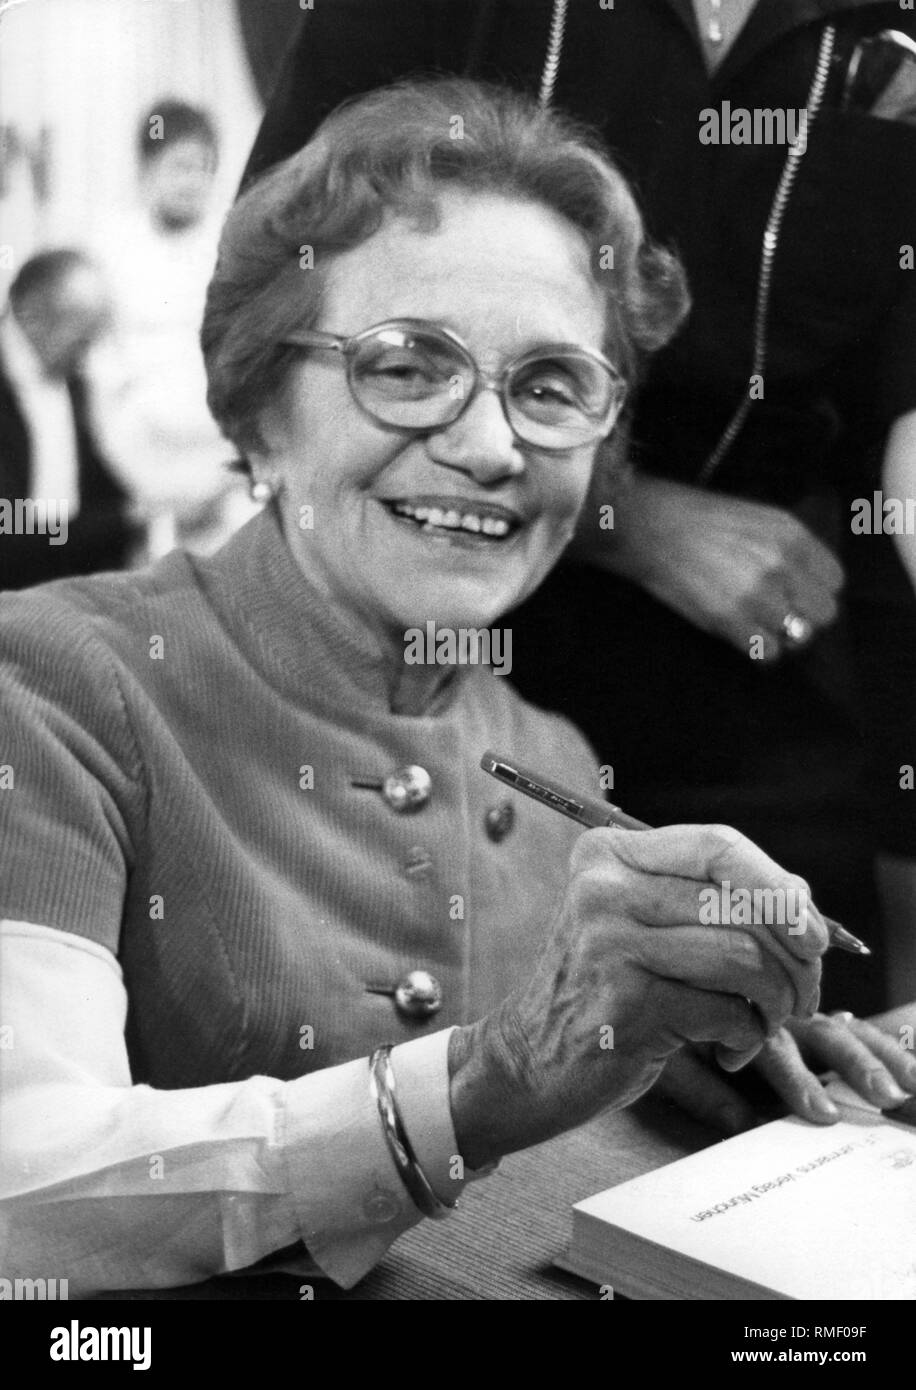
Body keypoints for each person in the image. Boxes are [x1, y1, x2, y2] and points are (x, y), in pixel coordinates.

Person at [0, 80, 911, 1298]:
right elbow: (20, 1199)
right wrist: (493, 1079)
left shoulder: (555, 758)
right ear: (259, 396)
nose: (489, 446)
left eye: (550, 387)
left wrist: (685, 1050)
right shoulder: (52, 683)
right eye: (408, 364)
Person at [241, 0, 916, 1017]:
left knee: (794, 1084)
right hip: (414, 640)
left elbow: (891, 454)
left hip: (756, 676)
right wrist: (627, 517)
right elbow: (267, 325)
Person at [91, 99, 253, 560]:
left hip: (225, 468)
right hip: (142, 470)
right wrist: (149, 483)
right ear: (146, 168)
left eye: (203, 168)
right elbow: (104, 379)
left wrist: (224, 476)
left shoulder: (235, 246)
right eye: (179, 166)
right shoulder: (110, 246)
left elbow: (249, 364)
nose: (191, 181)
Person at [0, 249, 136, 590]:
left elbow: (93, 482)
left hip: (64, 583)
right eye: (82, 342)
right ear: (31, 316)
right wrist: (122, 521)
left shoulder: (70, 380)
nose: (87, 357)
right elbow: (11, 529)